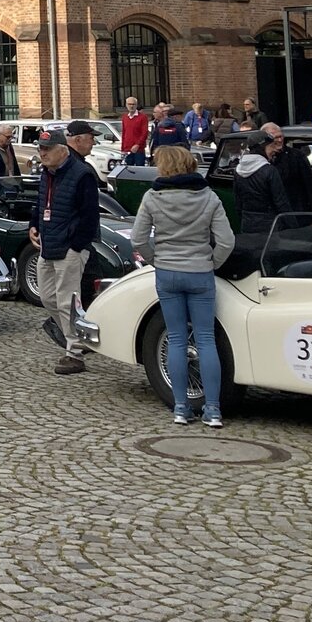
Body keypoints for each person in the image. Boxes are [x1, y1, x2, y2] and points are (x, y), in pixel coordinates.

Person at [132, 145, 236, 427]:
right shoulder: (208, 197)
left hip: (167, 271)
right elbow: (226, 241)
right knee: (205, 338)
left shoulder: (153, 197)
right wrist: (211, 262)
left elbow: (138, 239)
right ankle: (212, 409)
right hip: (200, 271)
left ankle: (181, 407)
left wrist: (156, 259)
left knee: (176, 338)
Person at [29, 131, 100, 373]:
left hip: (70, 247)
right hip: (49, 243)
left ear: (63, 149)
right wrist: (34, 226)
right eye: (41, 149)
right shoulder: (46, 173)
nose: (43, 153)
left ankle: (75, 352)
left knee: (68, 301)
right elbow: (41, 203)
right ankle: (80, 338)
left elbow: (91, 215)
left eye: (47, 149)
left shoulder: (82, 174)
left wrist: (76, 246)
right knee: (48, 297)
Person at [228, 124, 292, 278]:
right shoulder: (269, 171)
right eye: (270, 147)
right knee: (271, 263)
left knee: (252, 262)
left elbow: (238, 202)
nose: (273, 151)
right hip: (270, 224)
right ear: (262, 148)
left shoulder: (238, 170)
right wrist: (293, 226)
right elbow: (281, 202)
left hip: (248, 223)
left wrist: (243, 217)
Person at [119, 98, 148, 165]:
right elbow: (124, 133)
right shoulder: (125, 117)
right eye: (129, 104)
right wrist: (122, 148)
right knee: (128, 170)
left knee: (139, 169)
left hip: (138, 150)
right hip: (127, 149)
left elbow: (144, 133)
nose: (131, 106)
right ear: (126, 105)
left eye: (133, 104)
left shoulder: (143, 117)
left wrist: (138, 144)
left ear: (136, 105)